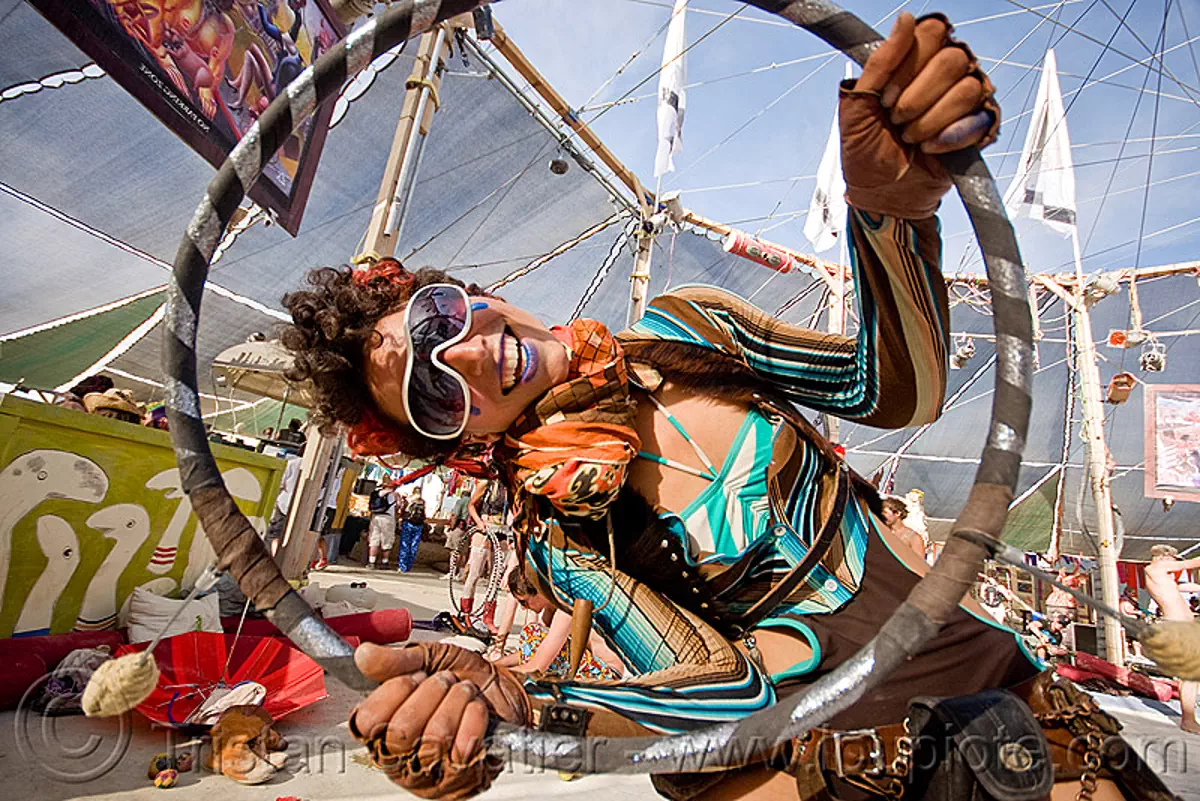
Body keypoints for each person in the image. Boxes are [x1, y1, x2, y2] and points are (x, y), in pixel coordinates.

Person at [284, 15, 1165, 799]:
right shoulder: (559, 535)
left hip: (1003, 681)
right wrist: (520, 703)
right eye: (435, 391)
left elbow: (896, 392)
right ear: (453, 440)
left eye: (442, 321)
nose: (468, 354)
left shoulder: (688, 328)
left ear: (474, 294)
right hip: (847, 759)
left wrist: (891, 213)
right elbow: (722, 687)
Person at [1144, 544, 1200, 734]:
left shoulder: (1160, 576)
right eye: (1174, 561)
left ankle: (1189, 717)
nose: (1175, 565)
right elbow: (1194, 562)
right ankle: (1188, 719)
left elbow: (1182, 587)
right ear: (1164, 557)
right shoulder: (1156, 568)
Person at [265, 452, 302, 557]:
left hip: (284, 502)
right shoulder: (320, 468)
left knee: (274, 534)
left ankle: (273, 556)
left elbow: (280, 484)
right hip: (302, 507)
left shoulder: (292, 464)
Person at [880, 496, 926, 560]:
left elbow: (920, 564)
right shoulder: (881, 532)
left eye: (885, 512)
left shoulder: (913, 537)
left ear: (897, 513)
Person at [365, 485, 398, 569]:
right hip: (387, 518)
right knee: (387, 540)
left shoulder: (376, 492)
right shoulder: (394, 494)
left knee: (374, 540)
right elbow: (399, 506)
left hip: (375, 517)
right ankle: (384, 562)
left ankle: (371, 562)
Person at [397, 488, 426, 572]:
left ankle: (402, 566)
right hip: (419, 525)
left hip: (408, 523)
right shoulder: (422, 501)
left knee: (405, 544)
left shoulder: (409, 500)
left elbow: (403, 511)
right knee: (414, 546)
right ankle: (409, 566)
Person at [1119, 586, 1145, 660]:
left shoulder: (1123, 600)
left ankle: (1131, 653)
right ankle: (1136, 654)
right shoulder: (1125, 601)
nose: (1133, 594)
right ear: (1128, 592)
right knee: (1134, 639)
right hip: (1130, 621)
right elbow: (1127, 610)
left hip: (1126, 621)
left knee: (1128, 639)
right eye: (1132, 593)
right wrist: (1138, 612)